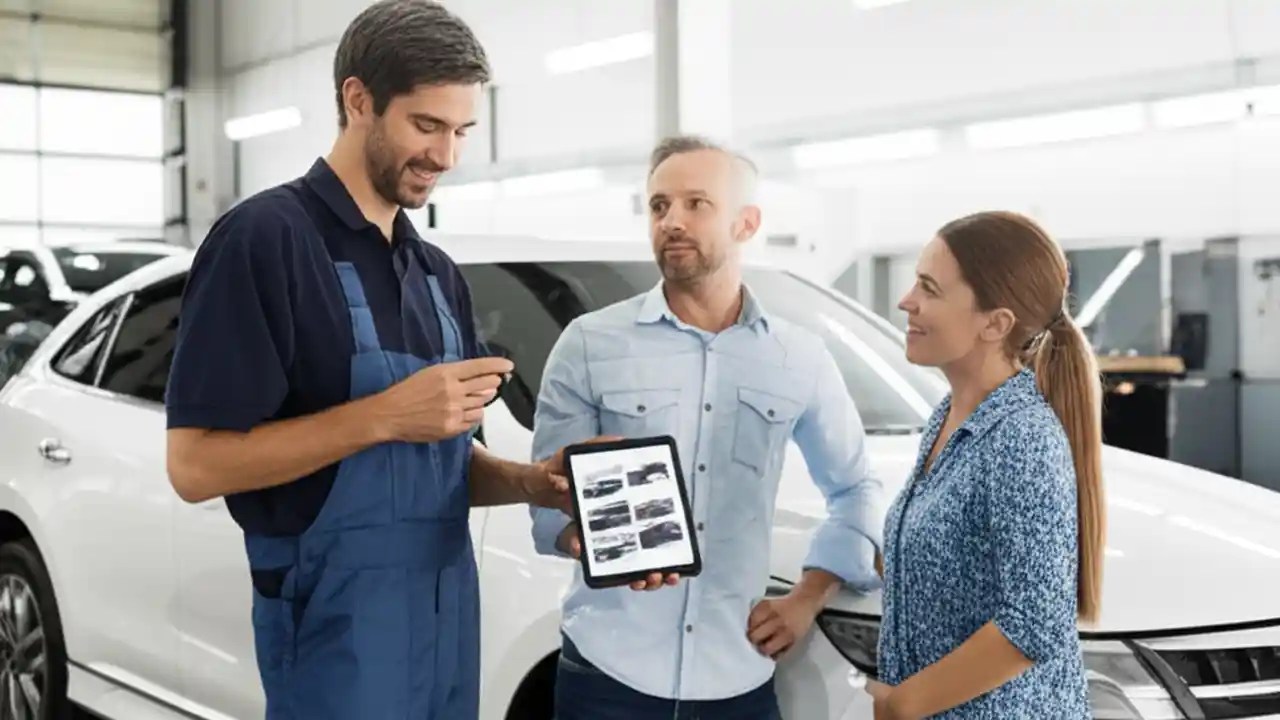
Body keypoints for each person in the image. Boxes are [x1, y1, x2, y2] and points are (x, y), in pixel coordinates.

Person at [163, 2, 578, 718]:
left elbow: (442, 463)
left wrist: (529, 483)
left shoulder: (437, 273)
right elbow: (195, 466)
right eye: (427, 125)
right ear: (358, 100)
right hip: (336, 637)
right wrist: (381, 417)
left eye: (461, 132)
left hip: (447, 625)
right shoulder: (265, 240)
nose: (446, 157)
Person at [529, 135, 886, 719]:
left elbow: (855, 489)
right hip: (607, 674)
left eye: (696, 203)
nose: (672, 220)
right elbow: (547, 501)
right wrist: (585, 538)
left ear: (746, 223)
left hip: (737, 678)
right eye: (659, 205)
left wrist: (808, 597)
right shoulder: (590, 344)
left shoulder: (798, 356)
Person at [865, 211, 1104, 719]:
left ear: (995, 324)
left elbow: (1034, 623)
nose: (906, 301)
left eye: (929, 288)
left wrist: (905, 704)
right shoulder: (949, 417)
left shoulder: (1022, 437)